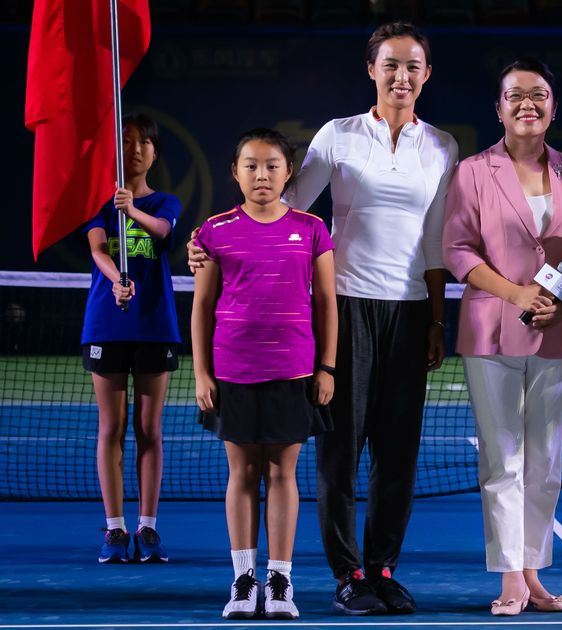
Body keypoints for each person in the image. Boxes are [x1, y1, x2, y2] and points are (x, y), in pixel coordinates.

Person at [190, 21, 457, 615]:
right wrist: (211, 240)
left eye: (413, 66)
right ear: (372, 70)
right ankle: (349, 572)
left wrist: (437, 320)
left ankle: (384, 567)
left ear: (427, 74)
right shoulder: (338, 136)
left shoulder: (442, 146)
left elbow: (436, 241)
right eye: (390, 65)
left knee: (399, 453)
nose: (402, 76)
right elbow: (283, 207)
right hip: (346, 308)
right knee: (340, 451)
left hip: (410, 313)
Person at [443, 57, 562, 616]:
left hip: (560, 334)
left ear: (554, 107)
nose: (527, 104)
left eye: (538, 95)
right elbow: (457, 249)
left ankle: (534, 572)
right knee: (503, 460)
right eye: (515, 96)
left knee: (545, 462)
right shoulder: (471, 171)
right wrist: (516, 296)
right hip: (491, 331)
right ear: (499, 108)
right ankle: (510, 575)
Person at [192, 128, 337, 620]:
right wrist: (201, 374)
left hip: (294, 371)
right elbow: (202, 306)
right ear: (235, 173)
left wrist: (327, 366)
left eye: (272, 165)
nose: (262, 174)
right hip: (233, 372)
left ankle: (280, 581)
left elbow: (327, 303)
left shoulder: (313, 228)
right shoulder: (214, 231)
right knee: (242, 472)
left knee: (282, 472)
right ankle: (242, 579)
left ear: (288, 171)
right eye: (251, 165)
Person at [83, 113, 181, 564]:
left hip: (155, 325)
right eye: (127, 142)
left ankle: (149, 527)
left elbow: (161, 233)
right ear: (117, 153)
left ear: (154, 153)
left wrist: (132, 209)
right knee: (112, 427)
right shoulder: (98, 204)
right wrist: (118, 279)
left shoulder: (165, 203)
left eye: (144, 142)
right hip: (107, 323)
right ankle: (116, 529)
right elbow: (99, 250)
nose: (136, 148)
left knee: (148, 429)